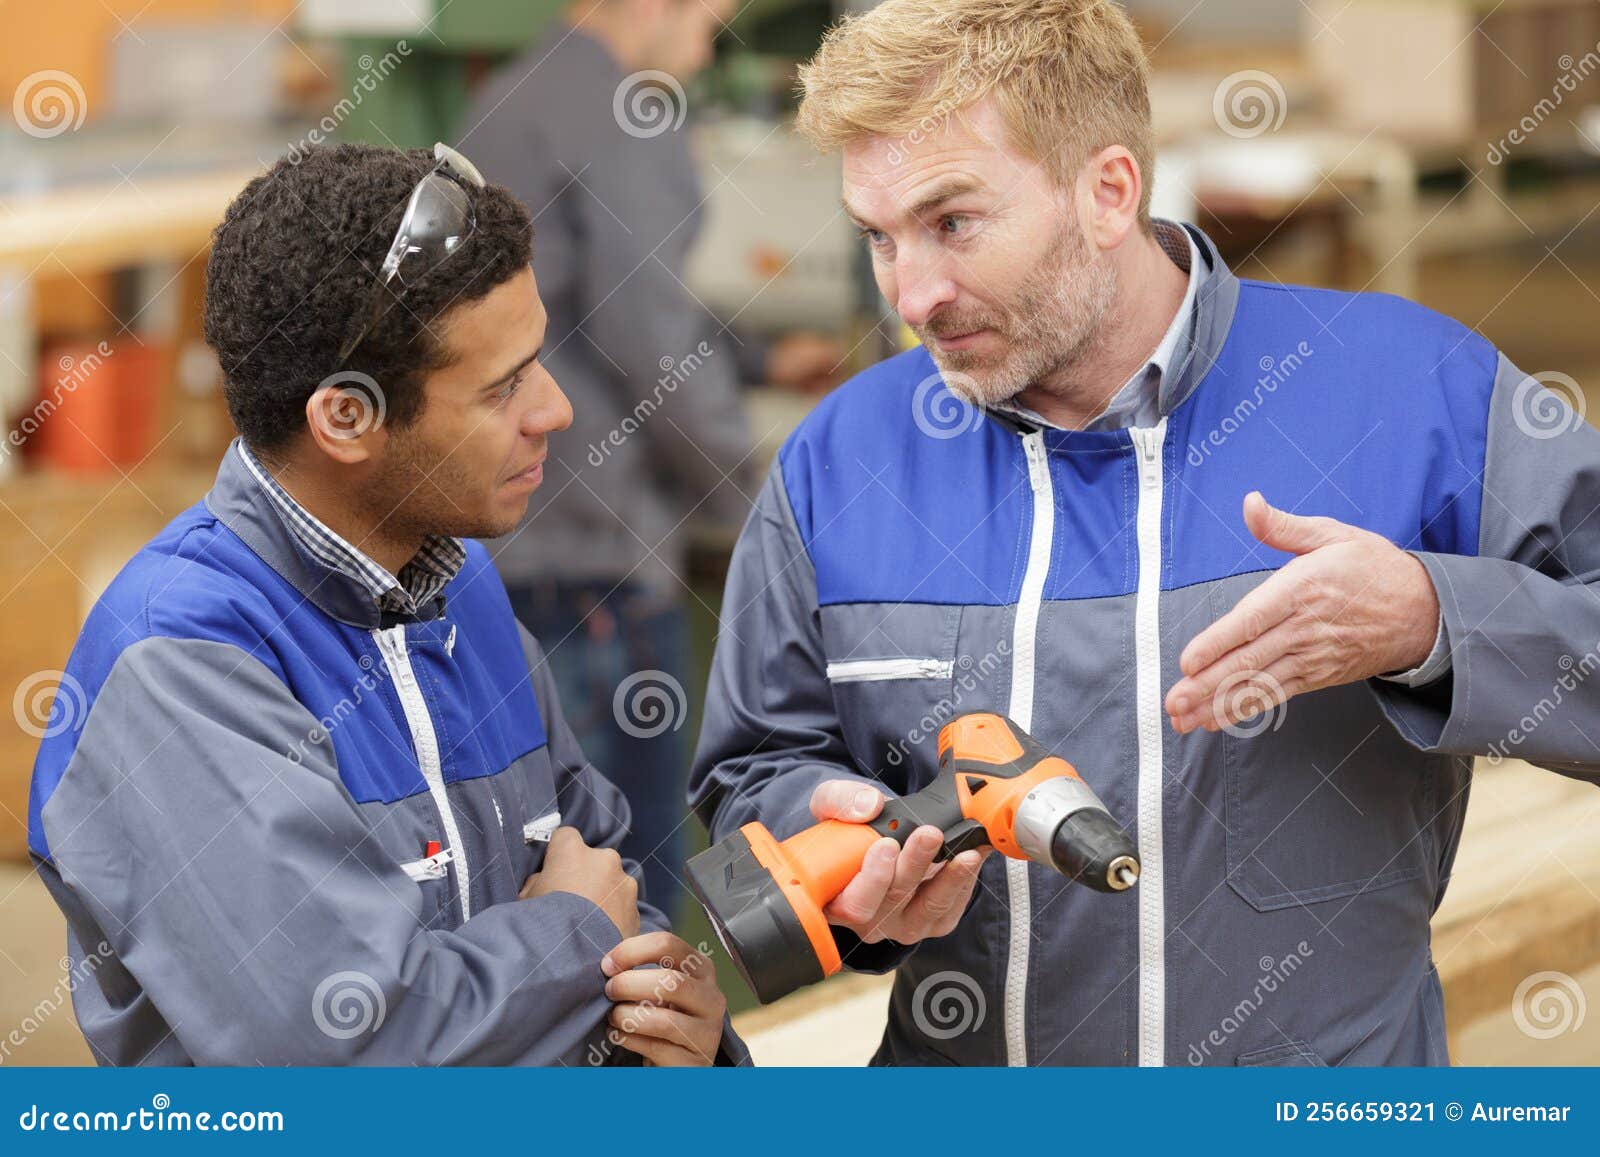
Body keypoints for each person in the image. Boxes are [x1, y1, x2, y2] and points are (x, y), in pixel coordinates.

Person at [690, 0, 1600, 1066]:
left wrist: (1433, 622)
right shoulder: (840, 461)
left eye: (953, 223)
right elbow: (756, 768)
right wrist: (832, 840)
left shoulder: (1413, 393)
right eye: (878, 237)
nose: (915, 296)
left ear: (1108, 192)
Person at [28, 142, 744, 1067]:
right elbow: (347, 1053)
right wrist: (570, 935)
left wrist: (677, 1031)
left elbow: (608, 874)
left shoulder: (457, 587)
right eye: (503, 386)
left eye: (538, 361)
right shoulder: (178, 665)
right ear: (345, 418)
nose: (555, 410)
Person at [459, 0, 844, 919]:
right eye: (706, 18)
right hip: (596, 559)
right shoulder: (623, 112)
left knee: (530, 863)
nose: (706, 45)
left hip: (510, 541)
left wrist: (756, 357)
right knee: (630, 882)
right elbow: (652, 343)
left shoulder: (510, 99)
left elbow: (596, 305)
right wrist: (767, 511)